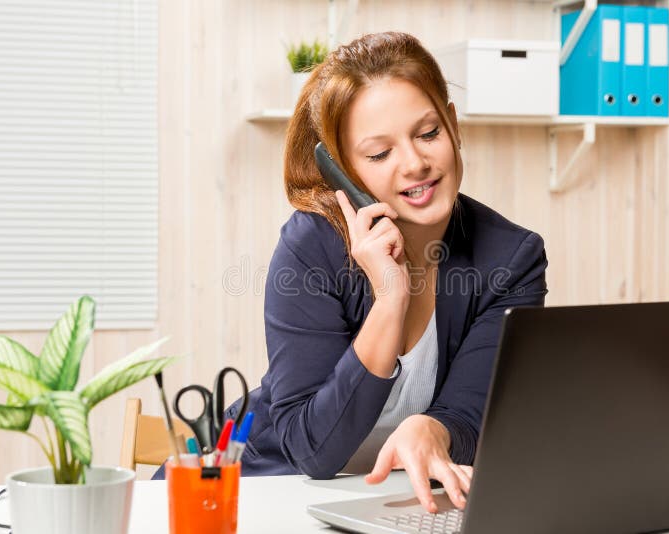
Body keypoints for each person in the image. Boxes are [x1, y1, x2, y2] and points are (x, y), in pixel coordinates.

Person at [230, 31, 548, 513]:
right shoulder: (310, 247)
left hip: (392, 506)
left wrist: (432, 429)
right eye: (379, 154)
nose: (415, 163)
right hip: (264, 494)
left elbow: (472, 417)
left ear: (453, 125)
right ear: (344, 172)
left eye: (428, 133)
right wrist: (391, 299)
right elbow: (312, 451)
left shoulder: (511, 258)